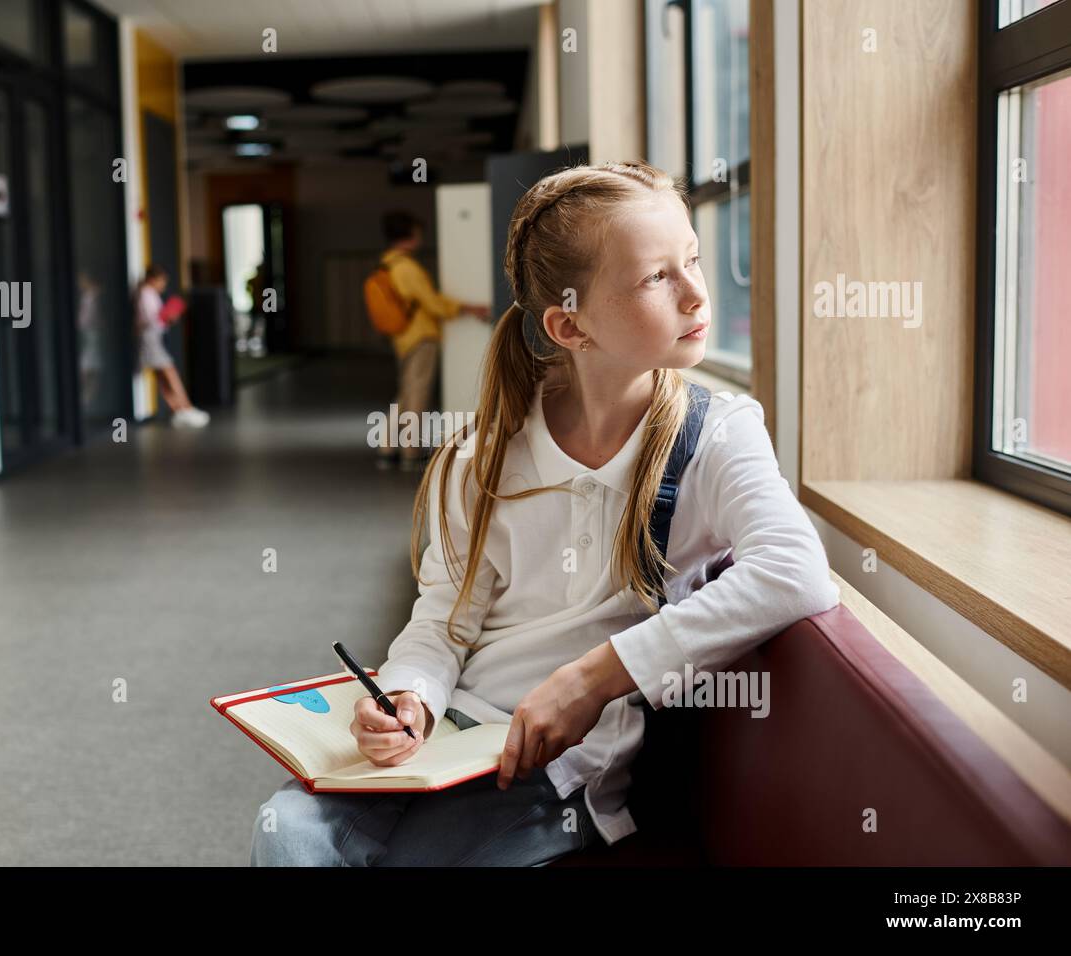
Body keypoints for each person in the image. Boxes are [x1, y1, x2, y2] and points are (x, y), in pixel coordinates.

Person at [250, 161, 841, 866]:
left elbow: (797, 572)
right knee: (285, 833)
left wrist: (592, 678)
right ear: (569, 323)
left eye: (692, 260)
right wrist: (408, 694)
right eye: (657, 277)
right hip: (447, 738)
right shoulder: (486, 459)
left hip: (553, 776)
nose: (695, 294)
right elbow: (443, 619)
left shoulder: (717, 434)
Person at [375, 210, 490, 471]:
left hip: (403, 337)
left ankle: (387, 448)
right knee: (417, 395)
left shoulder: (388, 265)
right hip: (421, 336)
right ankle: (411, 454)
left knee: (405, 393)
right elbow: (433, 304)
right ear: (411, 234)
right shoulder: (407, 268)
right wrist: (469, 308)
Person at [135, 265, 209, 429]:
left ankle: (179, 410)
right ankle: (186, 409)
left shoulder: (149, 293)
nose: (163, 285)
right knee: (170, 373)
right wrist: (167, 316)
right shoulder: (146, 294)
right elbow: (150, 319)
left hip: (153, 337)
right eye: (161, 281)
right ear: (153, 279)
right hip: (150, 339)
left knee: (162, 377)